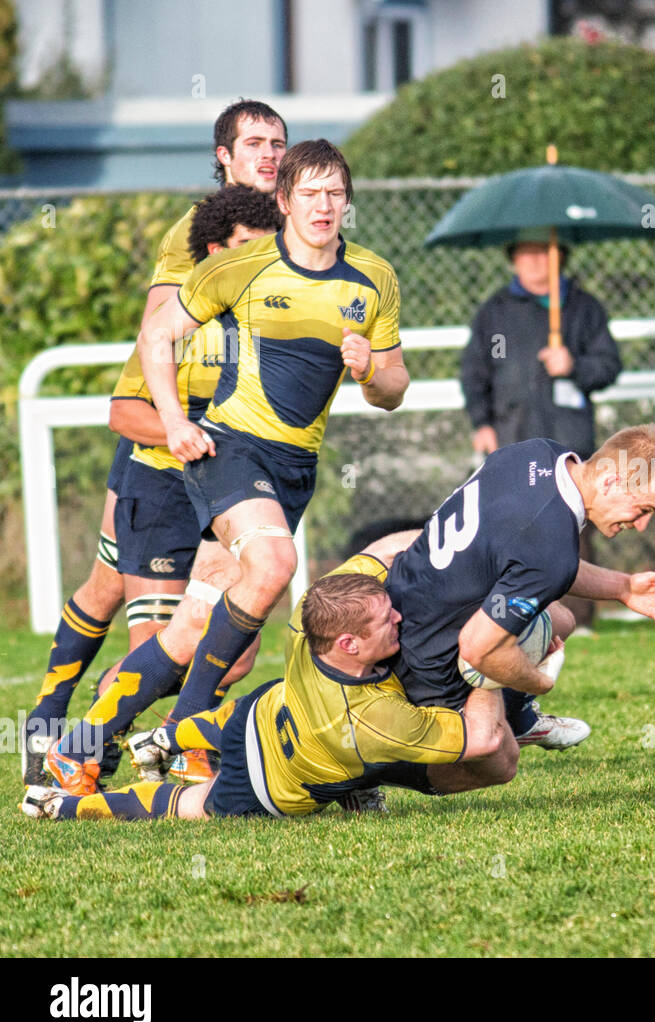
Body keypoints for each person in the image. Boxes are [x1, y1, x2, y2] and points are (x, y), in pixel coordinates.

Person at [44, 140, 409, 795]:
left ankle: (80, 745)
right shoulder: (241, 266)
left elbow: (394, 387)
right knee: (273, 566)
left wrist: (371, 372)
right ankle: (186, 734)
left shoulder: (374, 278)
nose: (323, 206)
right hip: (232, 450)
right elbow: (158, 337)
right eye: (309, 194)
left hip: (297, 467)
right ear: (285, 200)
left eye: (334, 193)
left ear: (348, 201)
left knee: (196, 624)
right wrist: (176, 422)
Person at [23, 99, 287, 787]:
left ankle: (91, 731)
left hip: (219, 455)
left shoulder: (293, 238)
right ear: (223, 157)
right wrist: (174, 419)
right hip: (166, 443)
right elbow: (153, 348)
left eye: (277, 143)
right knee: (150, 618)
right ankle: (79, 735)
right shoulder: (198, 235)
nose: (267, 154)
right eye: (251, 142)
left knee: (212, 627)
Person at [22, 550, 511, 822]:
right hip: (268, 786)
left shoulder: (307, 618)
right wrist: (483, 657)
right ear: (350, 643)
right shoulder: (376, 717)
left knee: (240, 710)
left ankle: (165, 738)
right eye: (387, 619)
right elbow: (484, 738)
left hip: (261, 713)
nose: (400, 618)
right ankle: (62, 806)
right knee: (188, 805)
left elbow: (374, 555)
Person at [385, 424, 655, 781]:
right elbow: (478, 648)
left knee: (559, 620)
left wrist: (624, 588)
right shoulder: (551, 549)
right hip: (426, 662)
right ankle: (365, 773)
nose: (642, 525)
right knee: (500, 762)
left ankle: (522, 720)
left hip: (400, 601)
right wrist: (539, 681)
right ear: (610, 481)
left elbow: (532, 556)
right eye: (643, 509)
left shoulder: (535, 453)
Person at [460, 230, 623, 627]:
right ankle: (512, 613)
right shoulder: (495, 312)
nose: (535, 263)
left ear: (560, 257)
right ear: (513, 259)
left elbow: (608, 365)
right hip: (514, 437)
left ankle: (579, 619)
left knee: (574, 524)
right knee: (512, 525)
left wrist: (574, 365)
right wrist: (482, 422)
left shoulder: (584, 309)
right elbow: (473, 371)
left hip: (570, 439)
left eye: (543, 254)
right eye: (526, 254)